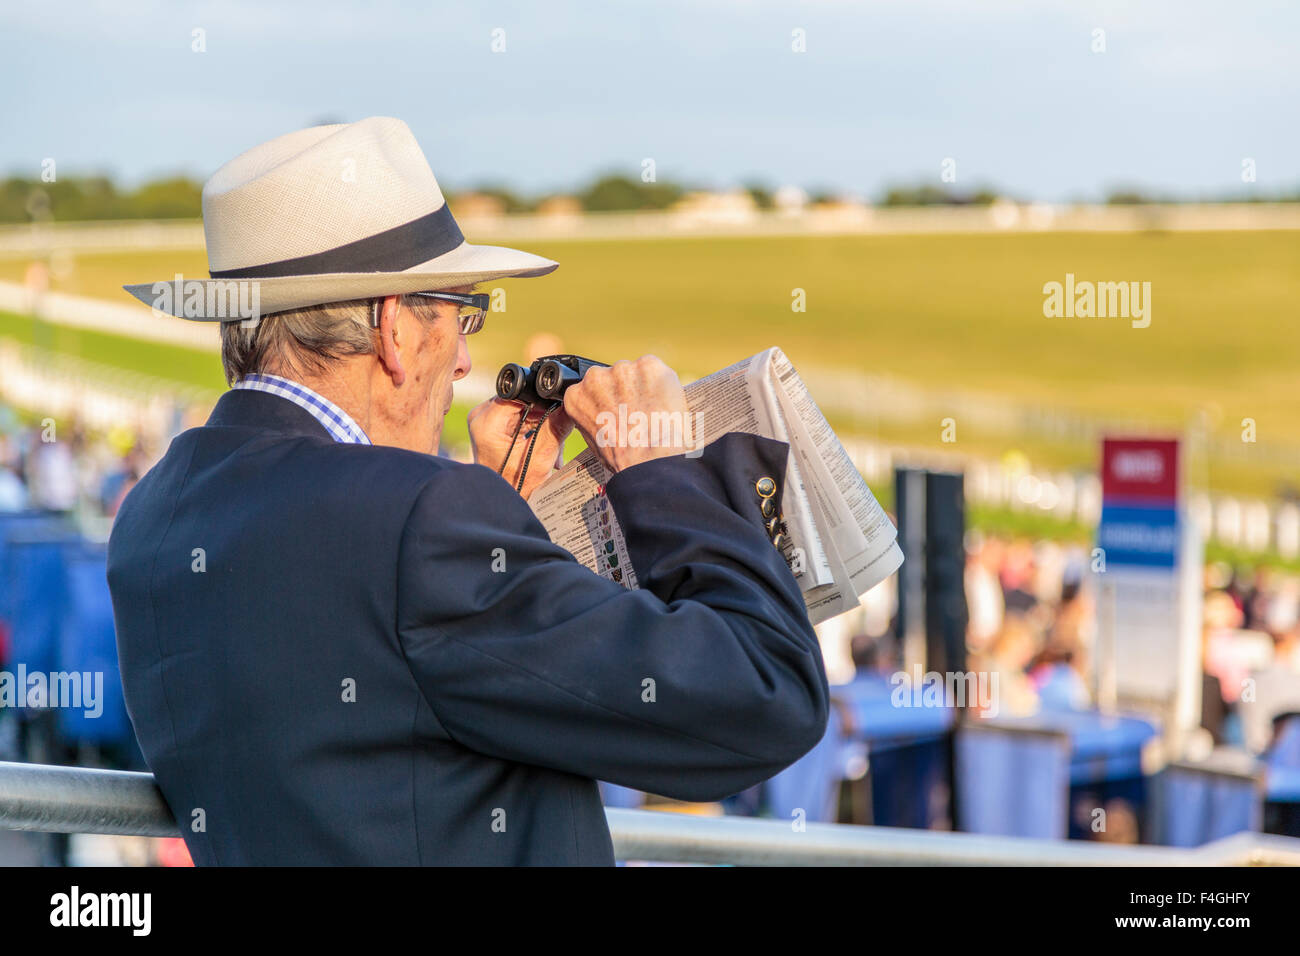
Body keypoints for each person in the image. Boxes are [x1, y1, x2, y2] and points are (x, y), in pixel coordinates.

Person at [107, 117, 828, 866]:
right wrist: (659, 473)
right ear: (396, 329)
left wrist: (501, 527)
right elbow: (764, 696)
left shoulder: (157, 514)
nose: (463, 362)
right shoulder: (419, 522)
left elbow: (383, 711)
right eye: (465, 314)